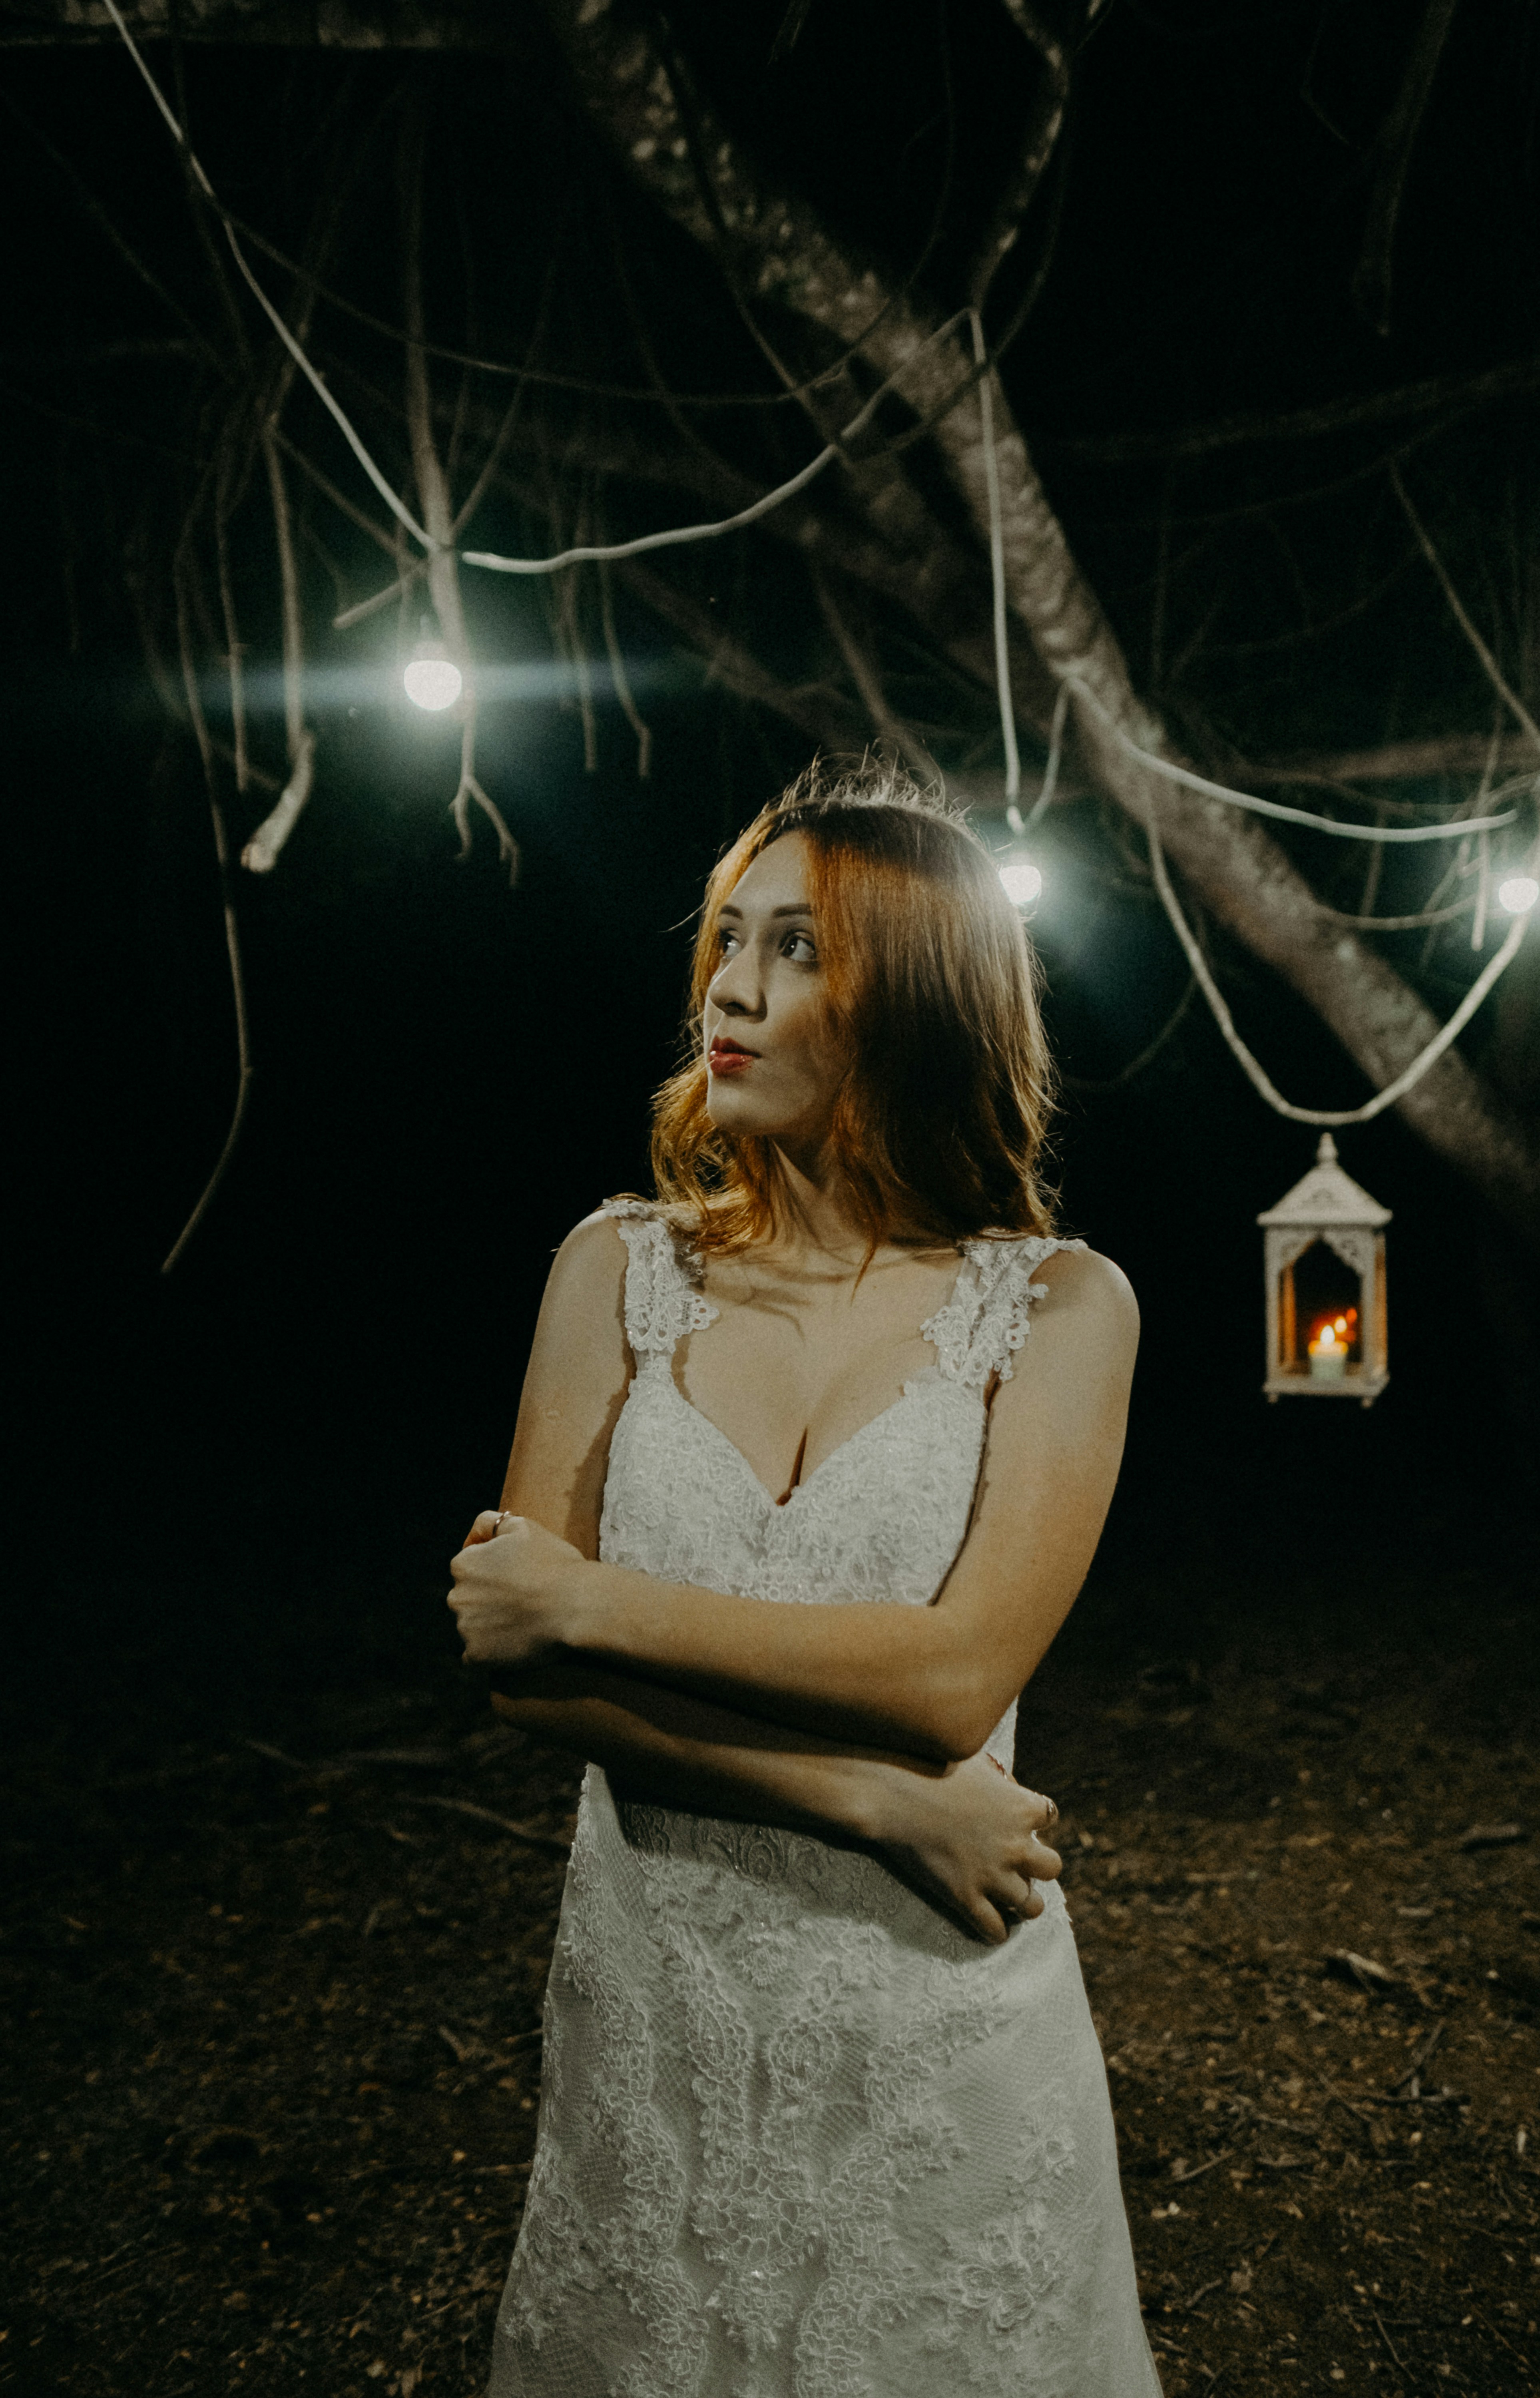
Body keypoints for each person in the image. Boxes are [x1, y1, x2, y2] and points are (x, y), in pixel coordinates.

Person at [450, 763, 1163, 2397]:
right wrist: (878, 1806)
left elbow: (950, 1677)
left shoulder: (1059, 1308)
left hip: (936, 2016)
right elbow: (522, 1670)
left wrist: (591, 1599)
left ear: (914, 994)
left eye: (795, 949)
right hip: (660, 1996)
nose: (729, 988)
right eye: (726, 941)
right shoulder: (613, 1268)